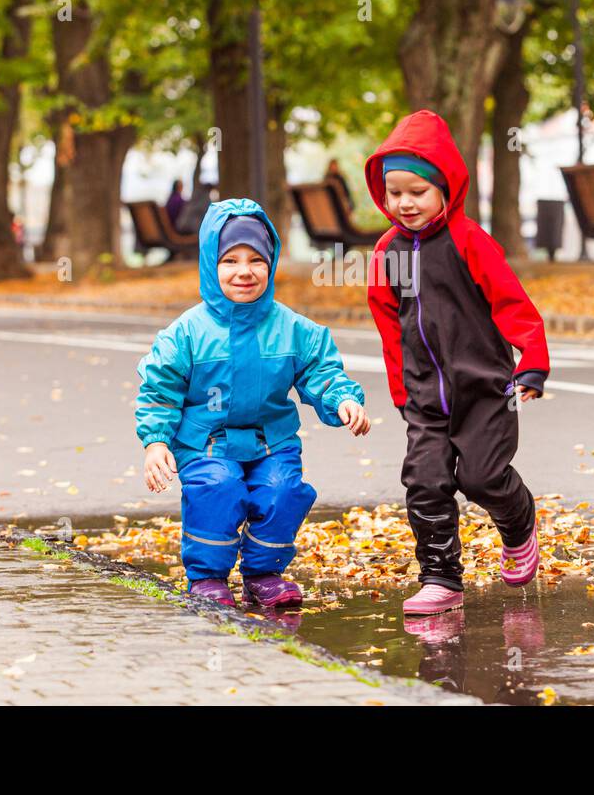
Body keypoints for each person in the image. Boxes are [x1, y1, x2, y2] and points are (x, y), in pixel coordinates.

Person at [135, 198, 371, 608]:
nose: (244, 271)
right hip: (207, 441)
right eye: (229, 260)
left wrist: (343, 399)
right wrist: (156, 441)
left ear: (271, 262)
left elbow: (321, 371)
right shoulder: (187, 333)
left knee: (283, 491)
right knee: (218, 487)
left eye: (256, 260)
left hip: (271, 440)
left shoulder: (293, 329)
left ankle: (264, 572)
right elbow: (160, 390)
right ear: (211, 264)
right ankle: (208, 576)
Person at [364, 110, 549, 616]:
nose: (404, 203)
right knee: (424, 481)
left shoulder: (470, 242)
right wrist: (402, 391)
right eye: (393, 192)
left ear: (446, 188)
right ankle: (441, 577)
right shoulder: (387, 252)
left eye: (417, 191)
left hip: (486, 389)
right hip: (424, 396)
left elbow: (513, 304)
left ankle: (519, 527)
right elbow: (389, 325)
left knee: (482, 478)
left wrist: (530, 362)